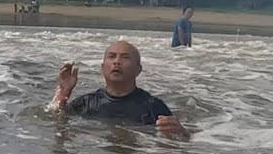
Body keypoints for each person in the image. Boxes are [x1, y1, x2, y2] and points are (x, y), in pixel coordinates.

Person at [49, 40, 189, 139]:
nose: (117, 62)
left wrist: (181, 133)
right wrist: (64, 93)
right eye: (111, 56)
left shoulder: (153, 107)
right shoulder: (86, 103)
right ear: (103, 68)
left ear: (138, 70)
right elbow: (57, 123)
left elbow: (176, 141)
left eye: (125, 57)